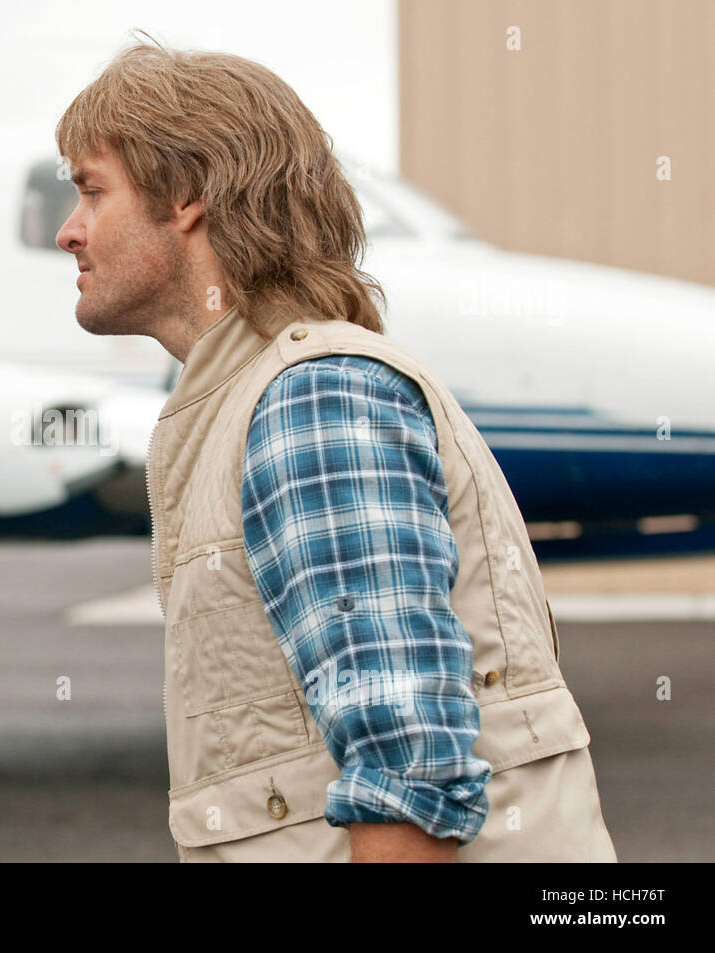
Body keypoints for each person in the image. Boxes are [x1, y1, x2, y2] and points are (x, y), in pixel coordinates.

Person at [54, 39, 616, 862]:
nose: (71, 232)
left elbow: (405, 771)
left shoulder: (311, 396)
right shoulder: (255, 397)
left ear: (186, 197)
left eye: (92, 192)